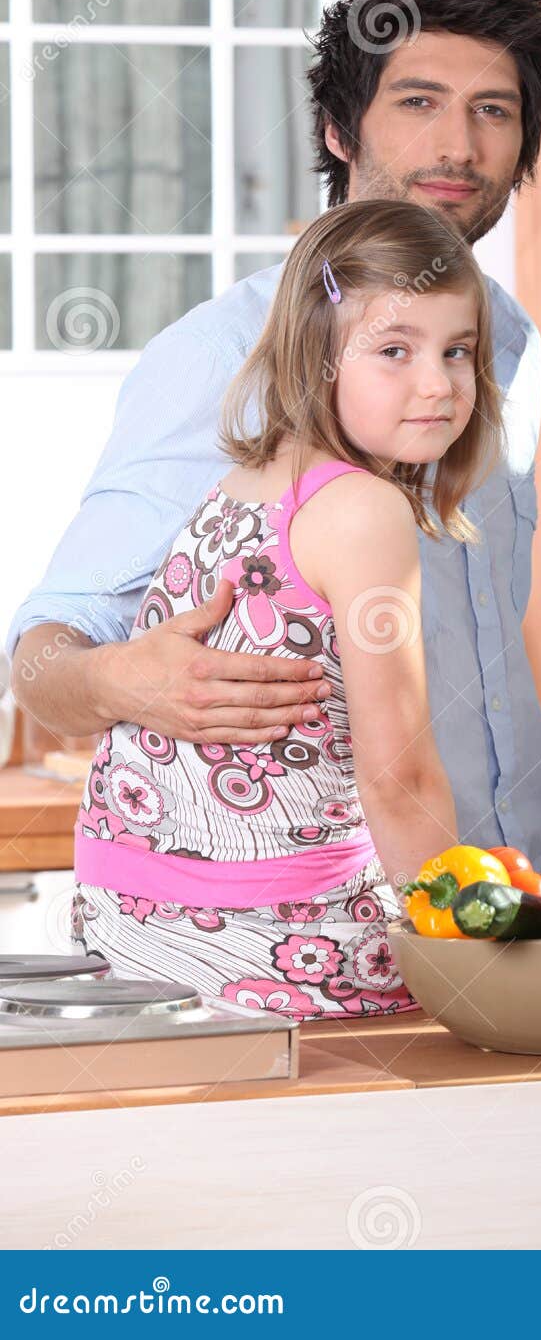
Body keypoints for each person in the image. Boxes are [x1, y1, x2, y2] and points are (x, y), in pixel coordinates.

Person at [10, 0, 541, 885]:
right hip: (315, 926)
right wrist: (121, 680)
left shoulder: (509, 344)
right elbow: (45, 649)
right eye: (418, 102)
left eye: (493, 111)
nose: (458, 146)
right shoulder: (224, 356)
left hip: (494, 901)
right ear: (339, 130)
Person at [73, 201, 499, 1017]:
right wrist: (471, 953)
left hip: (125, 926)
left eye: (457, 351)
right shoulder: (362, 512)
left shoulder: (242, 485)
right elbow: (398, 777)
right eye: (393, 351)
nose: (438, 384)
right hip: (269, 935)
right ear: (317, 358)